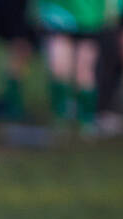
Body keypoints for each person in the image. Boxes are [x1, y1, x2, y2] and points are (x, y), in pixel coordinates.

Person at [33, 0, 109, 133]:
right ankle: (60, 117)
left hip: (89, 17)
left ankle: (86, 120)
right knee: (58, 67)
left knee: (84, 72)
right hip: (57, 15)